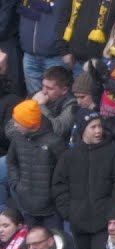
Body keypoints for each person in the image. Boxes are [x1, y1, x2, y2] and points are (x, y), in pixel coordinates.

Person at [7, 98, 66, 230]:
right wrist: (17, 185)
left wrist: (54, 194)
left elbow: (66, 172)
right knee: (32, 247)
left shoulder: (55, 142)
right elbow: (11, 162)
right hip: (27, 207)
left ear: (29, 123)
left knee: (54, 245)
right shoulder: (18, 139)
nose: (15, 126)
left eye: (18, 122)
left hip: (51, 211)